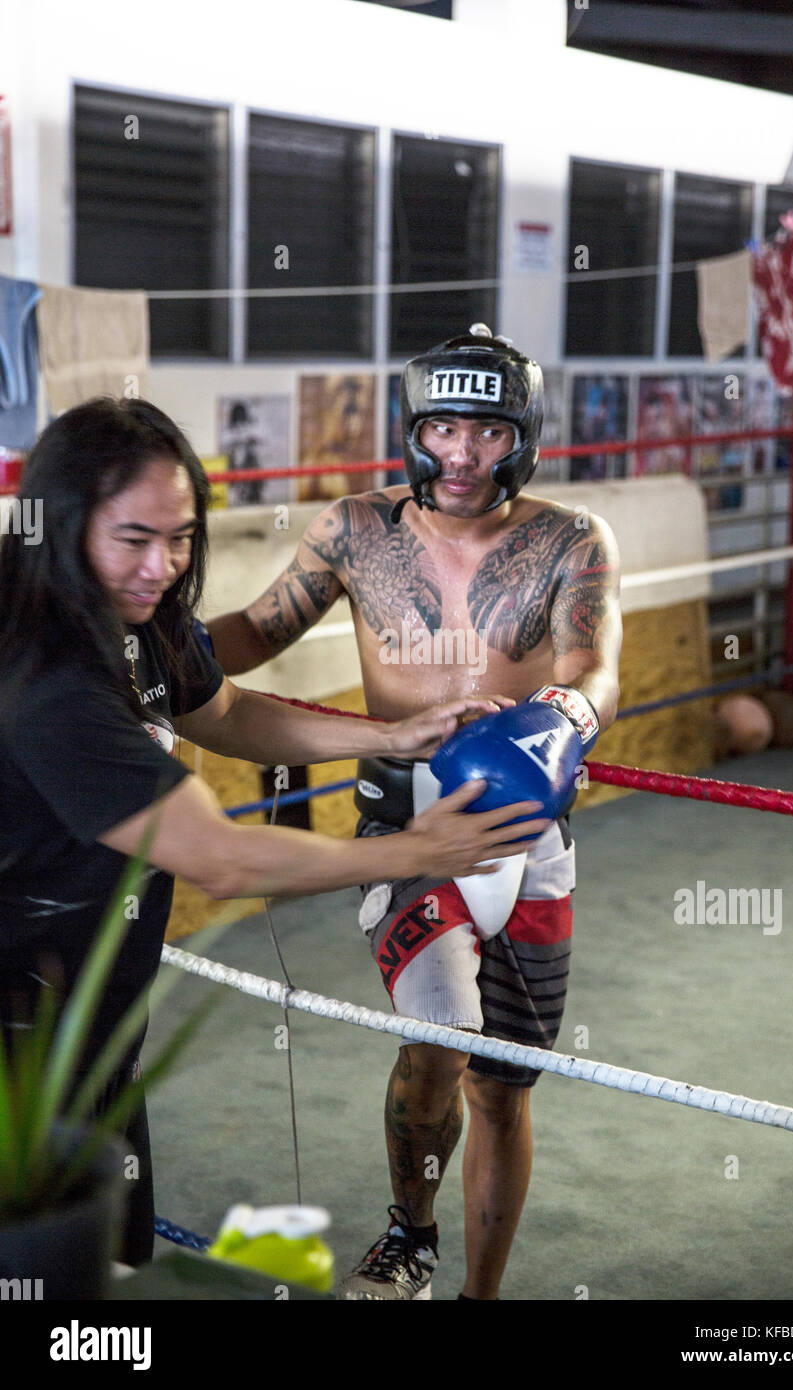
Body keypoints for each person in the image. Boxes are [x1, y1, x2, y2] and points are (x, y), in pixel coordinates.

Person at [0, 396, 550, 1268]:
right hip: (18, 1039)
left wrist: (386, 736)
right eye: (134, 538)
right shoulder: (45, 669)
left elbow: (226, 712)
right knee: (51, 1271)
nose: (162, 564)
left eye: (180, 537)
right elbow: (219, 854)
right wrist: (419, 852)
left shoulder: (143, 614)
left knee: (112, 1258)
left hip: (94, 1015)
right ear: (62, 528)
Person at [207, 325, 622, 1300]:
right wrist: (145, 645)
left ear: (518, 433)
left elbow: (590, 663)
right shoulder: (354, 529)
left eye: (484, 431)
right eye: (442, 426)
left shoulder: (569, 539)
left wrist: (564, 714)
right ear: (413, 428)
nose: (461, 455)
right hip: (406, 830)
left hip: (528, 831)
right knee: (435, 1042)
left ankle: (480, 1293)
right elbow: (254, 631)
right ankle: (411, 1232)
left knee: (504, 1082)